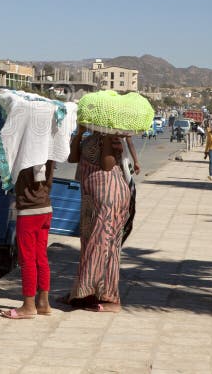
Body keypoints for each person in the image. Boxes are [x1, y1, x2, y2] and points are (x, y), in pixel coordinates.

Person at [64, 126, 131, 313]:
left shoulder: (112, 137)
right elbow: (72, 158)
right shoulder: (91, 137)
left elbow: (107, 165)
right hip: (93, 198)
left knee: (104, 246)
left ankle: (110, 299)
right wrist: (79, 133)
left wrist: (108, 138)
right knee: (89, 244)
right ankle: (83, 294)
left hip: (109, 196)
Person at [1, 161, 56, 320]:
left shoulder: (30, 151)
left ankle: (29, 305)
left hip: (29, 211)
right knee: (41, 257)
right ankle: (43, 303)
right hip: (45, 208)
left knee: (27, 259)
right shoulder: (49, 151)